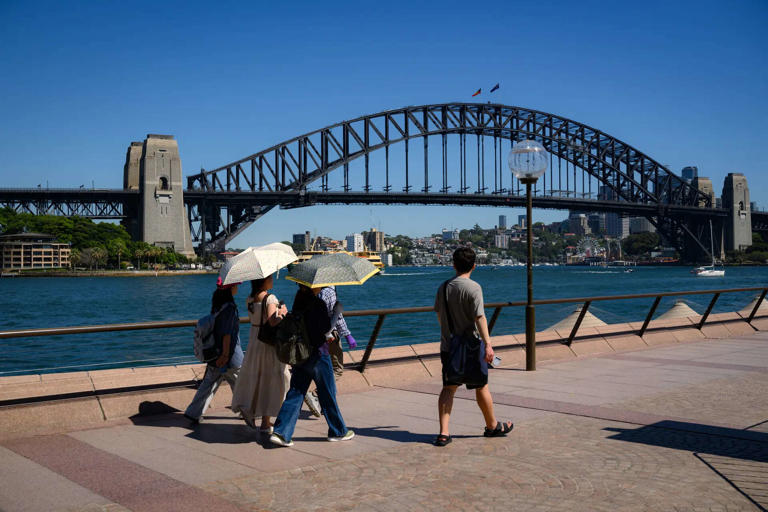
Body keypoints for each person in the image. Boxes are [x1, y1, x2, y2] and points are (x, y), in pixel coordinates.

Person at [433, 247, 513, 446]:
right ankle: (492, 426)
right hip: (471, 345)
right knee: (481, 385)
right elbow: (480, 317)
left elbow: (438, 314)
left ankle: (444, 433)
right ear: (474, 266)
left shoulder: (443, 287)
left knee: (448, 388)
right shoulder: (474, 287)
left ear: (453, 265)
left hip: (449, 345)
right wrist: (488, 344)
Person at [269, 284, 354, 447]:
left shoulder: (299, 299)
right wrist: (329, 334)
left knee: (296, 391)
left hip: (300, 353)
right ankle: (338, 431)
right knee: (327, 392)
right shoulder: (319, 304)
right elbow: (323, 330)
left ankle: (281, 432)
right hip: (318, 354)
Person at [230, 274, 290, 433]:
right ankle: (265, 420)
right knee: (271, 380)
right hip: (268, 345)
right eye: (270, 278)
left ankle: (254, 413)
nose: (272, 280)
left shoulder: (250, 298)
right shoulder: (270, 298)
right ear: (263, 281)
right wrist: (283, 312)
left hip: (254, 341)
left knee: (255, 378)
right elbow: (272, 321)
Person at [184, 277, 243, 424]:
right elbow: (227, 334)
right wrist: (225, 355)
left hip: (214, 354)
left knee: (208, 384)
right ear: (231, 289)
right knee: (241, 384)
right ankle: (249, 412)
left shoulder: (218, 304)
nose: (237, 288)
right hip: (229, 356)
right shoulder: (229, 308)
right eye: (236, 286)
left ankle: (193, 413)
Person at [302, 286, 357, 416]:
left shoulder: (316, 290)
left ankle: (322, 401)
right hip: (330, 336)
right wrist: (347, 335)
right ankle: (315, 394)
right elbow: (336, 317)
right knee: (337, 369)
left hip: (315, 335)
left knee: (320, 368)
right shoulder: (329, 292)